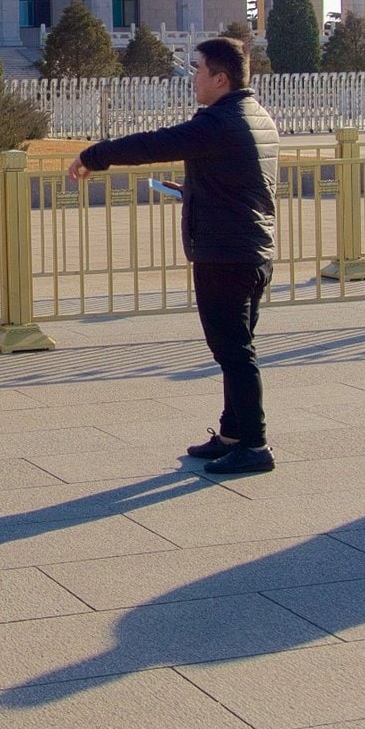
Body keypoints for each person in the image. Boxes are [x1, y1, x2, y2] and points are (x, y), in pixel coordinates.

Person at [68, 36, 280, 475]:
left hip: (227, 253)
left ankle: (255, 444)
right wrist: (195, 191)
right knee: (234, 346)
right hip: (250, 248)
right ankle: (233, 433)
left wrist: (96, 155)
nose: (192, 78)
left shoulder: (218, 121)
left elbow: (154, 144)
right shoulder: (256, 115)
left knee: (234, 351)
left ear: (220, 78)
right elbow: (246, 183)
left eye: (198, 69)